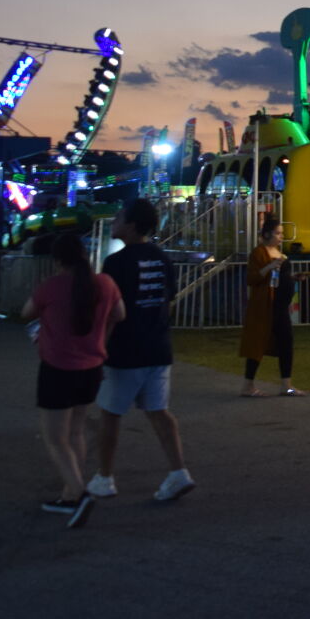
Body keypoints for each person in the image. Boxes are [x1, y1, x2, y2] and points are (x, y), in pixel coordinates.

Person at [88, 198, 195, 504]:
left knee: (110, 415)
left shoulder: (116, 264)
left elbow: (109, 311)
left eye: (119, 216)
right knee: (159, 412)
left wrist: (98, 348)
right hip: (158, 347)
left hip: (125, 352)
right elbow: (168, 297)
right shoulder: (162, 259)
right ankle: (178, 472)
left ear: (132, 225)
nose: (114, 221)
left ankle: (104, 477)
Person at [20, 232, 123, 529]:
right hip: (91, 368)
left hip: (58, 368)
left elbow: (26, 312)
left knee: (55, 437)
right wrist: (102, 339)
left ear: (57, 260)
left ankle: (78, 493)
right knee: (76, 431)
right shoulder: (105, 283)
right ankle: (69, 493)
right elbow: (120, 314)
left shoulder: (51, 287)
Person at [239, 217, 302, 396]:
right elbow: (252, 278)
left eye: (282, 233)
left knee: (286, 342)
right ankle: (248, 385)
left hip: (281, 306)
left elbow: (282, 277)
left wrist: (295, 277)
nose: (281, 236)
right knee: (258, 344)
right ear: (267, 234)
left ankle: (286, 384)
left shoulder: (280, 253)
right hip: (265, 306)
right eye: (278, 233)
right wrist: (270, 266)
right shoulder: (258, 253)